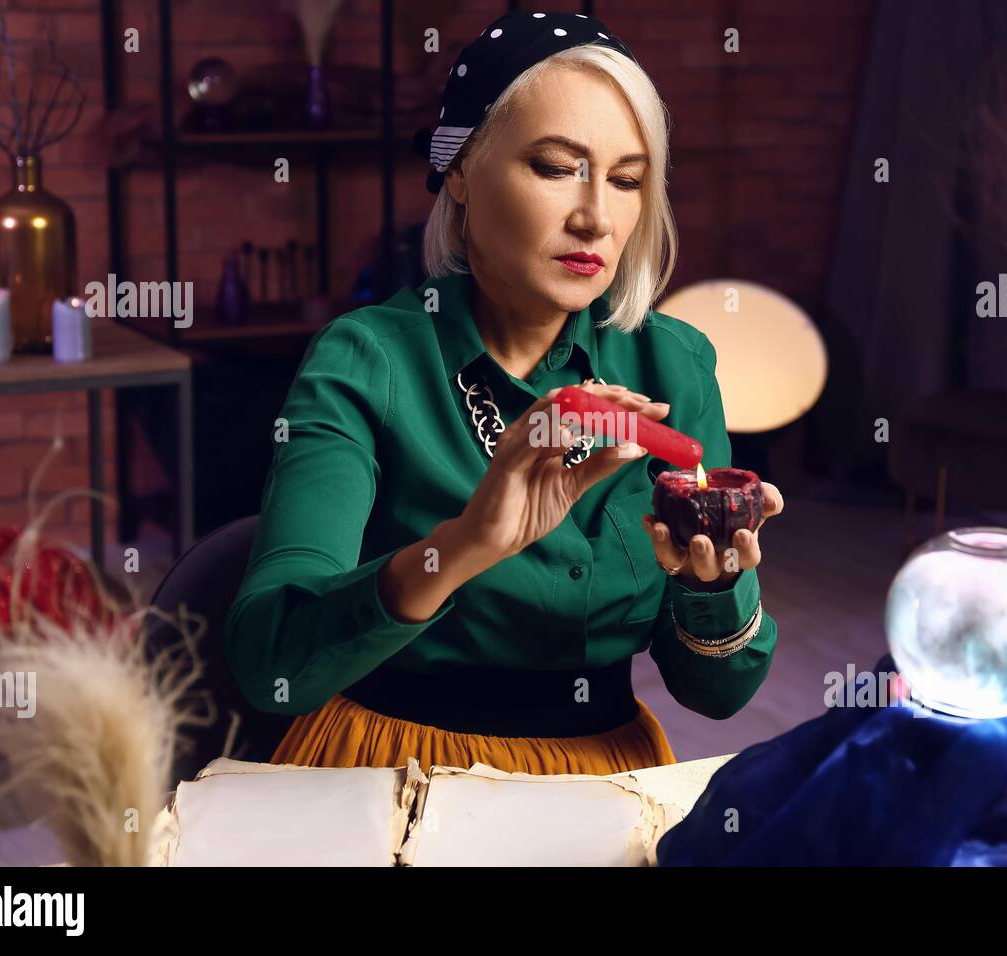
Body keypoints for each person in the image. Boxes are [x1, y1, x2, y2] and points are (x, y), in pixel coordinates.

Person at [224, 9, 784, 776]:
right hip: (395, 768)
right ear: (458, 170)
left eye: (627, 180)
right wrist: (462, 547)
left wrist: (712, 583)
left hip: (606, 774)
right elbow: (269, 665)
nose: (596, 217)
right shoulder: (365, 361)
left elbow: (716, 694)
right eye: (556, 167)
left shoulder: (675, 364)